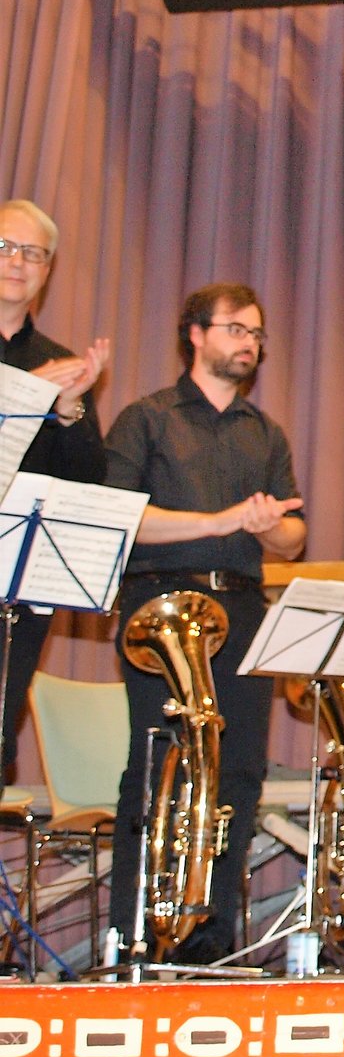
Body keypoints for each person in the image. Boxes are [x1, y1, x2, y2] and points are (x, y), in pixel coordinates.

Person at [106, 283, 305, 964]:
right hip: (162, 605)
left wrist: (267, 525)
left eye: (257, 334)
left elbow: (292, 538)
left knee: (238, 771)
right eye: (236, 329)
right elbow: (123, 518)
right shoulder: (146, 418)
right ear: (195, 333)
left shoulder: (265, 432)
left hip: (242, 609)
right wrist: (222, 521)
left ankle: (209, 942)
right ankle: (137, 933)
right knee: (158, 765)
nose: (250, 344)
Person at [0, 199, 109, 779]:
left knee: (1, 732)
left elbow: (89, 479)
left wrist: (68, 412)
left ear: (47, 269)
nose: (17, 262)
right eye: (4, 247)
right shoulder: (43, 370)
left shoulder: (59, 362)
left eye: (33, 254)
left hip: (21, 579)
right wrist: (30, 391)